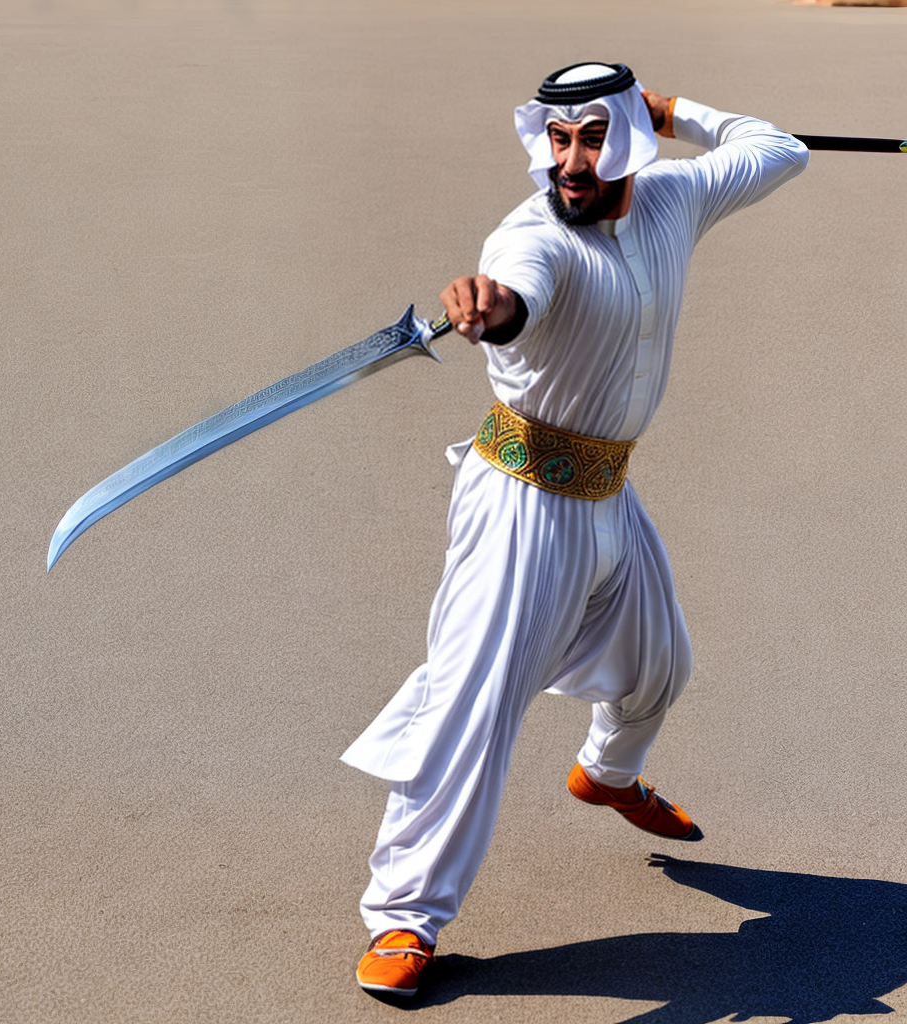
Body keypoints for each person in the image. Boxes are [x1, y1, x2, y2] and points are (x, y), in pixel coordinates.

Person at [340, 61, 809, 998]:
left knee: (661, 667)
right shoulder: (532, 237)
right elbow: (514, 296)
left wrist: (677, 110)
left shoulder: (677, 197)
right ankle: (404, 917)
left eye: (595, 138)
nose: (571, 162)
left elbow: (778, 148)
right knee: (474, 704)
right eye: (558, 140)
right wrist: (491, 309)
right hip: (518, 503)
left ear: (635, 138)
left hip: (607, 492)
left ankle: (606, 773)